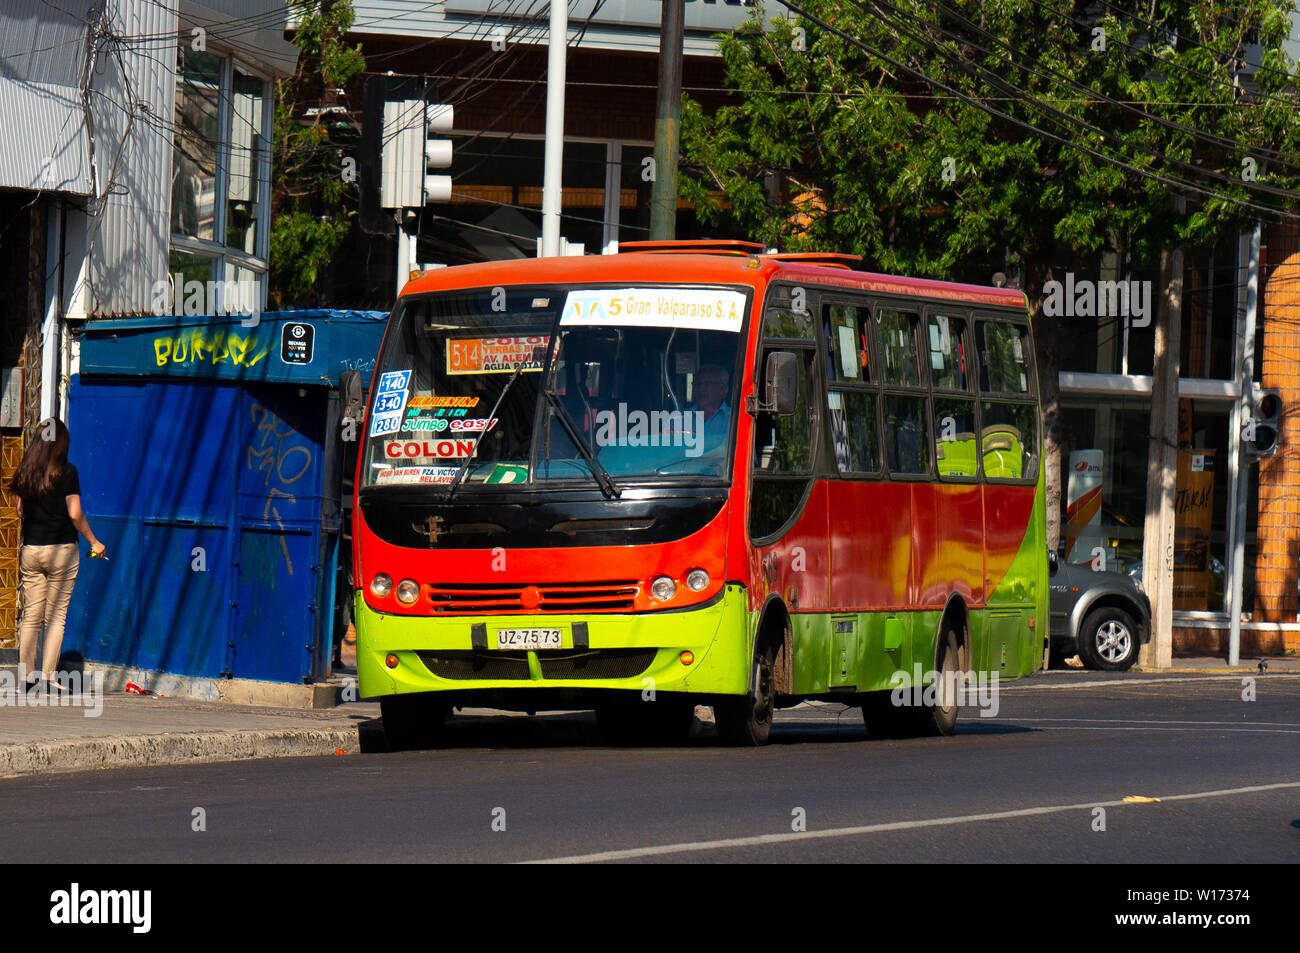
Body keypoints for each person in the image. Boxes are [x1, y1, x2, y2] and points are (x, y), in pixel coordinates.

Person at [11, 419, 105, 692]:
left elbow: (19, 510)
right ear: (61, 444)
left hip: (31, 550)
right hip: (61, 551)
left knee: (31, 616)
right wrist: (94, 542)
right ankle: (49, 677)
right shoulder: (67, 472)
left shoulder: (26, 472)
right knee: (55, 616)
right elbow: (74, 513)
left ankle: (27, 678)